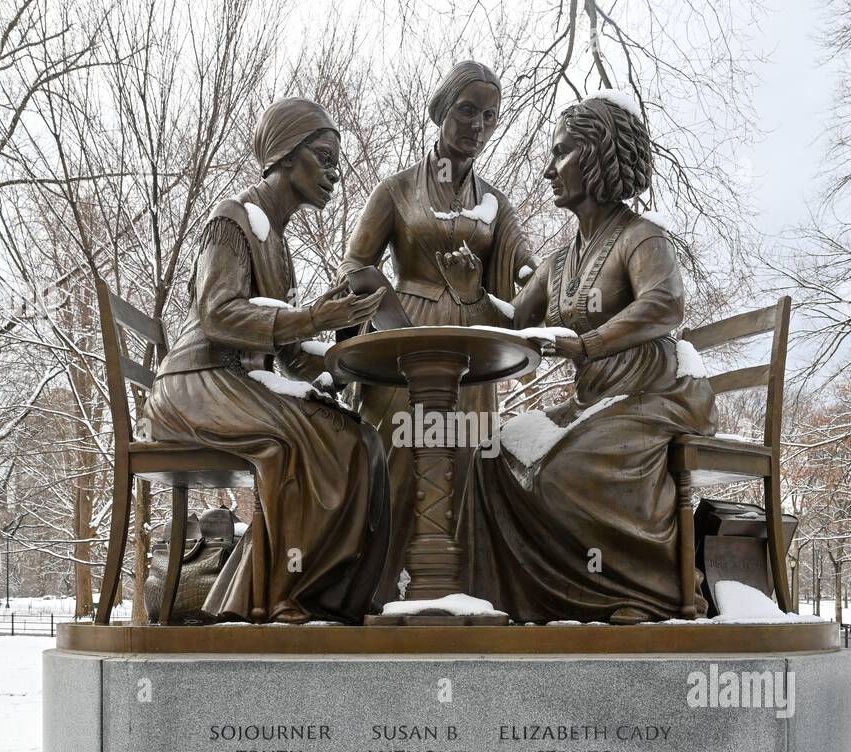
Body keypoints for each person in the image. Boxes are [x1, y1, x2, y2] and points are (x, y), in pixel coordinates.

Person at [448, 92, 718, 623]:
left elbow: (665, 304)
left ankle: (649, 593)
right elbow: (512, 325)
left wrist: (588, 344)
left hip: (655, 397)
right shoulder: (559, 260)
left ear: (597, 158)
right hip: (597, 402)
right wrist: (470, 294)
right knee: (490, 453)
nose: (548, 170)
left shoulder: (642, 238)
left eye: (562, 154)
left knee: (563, 470)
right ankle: (543, 595)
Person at [147, 97, 390, 624]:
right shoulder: (231, 220)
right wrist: (311, 318)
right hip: (196, 384)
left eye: (336, 161)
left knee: (359, 437)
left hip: (240, 383)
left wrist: (342, 352)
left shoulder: (277, 246)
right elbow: (218, 315)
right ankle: (281, 594)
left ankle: (330, 591)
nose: (334, 172)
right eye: (323, 157)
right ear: (284, 155)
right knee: (294, 441)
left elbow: (287, 358)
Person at [340, 61, 536, 606]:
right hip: (402, 345)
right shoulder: (398, 189)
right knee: (399, 458)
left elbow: (526, 276)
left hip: (471, 350)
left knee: (467, 459)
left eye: (490, 116)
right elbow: (358, 264)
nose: (478, 124)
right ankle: (378, 593)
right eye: (468, 109)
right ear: (442, 110)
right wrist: (398, 332)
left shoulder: (497, 205)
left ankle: (460, 590)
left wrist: (542, 278)